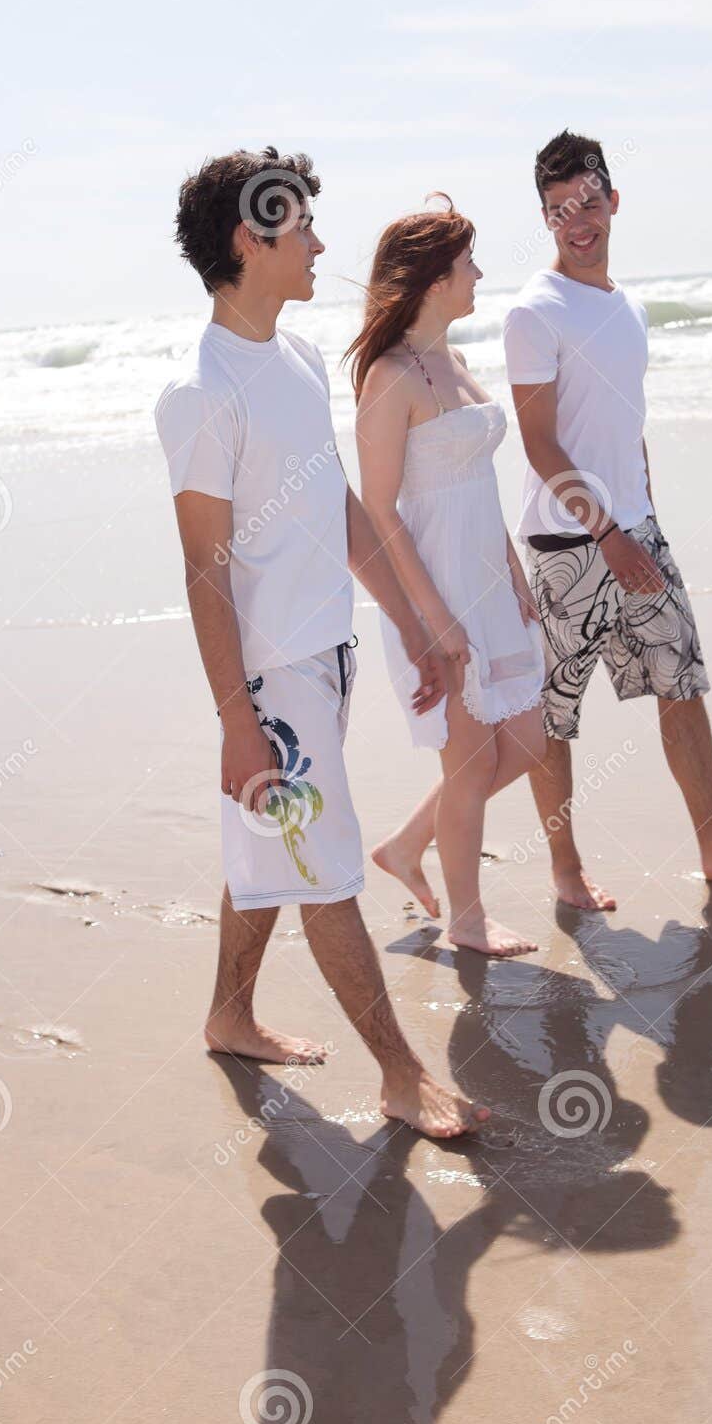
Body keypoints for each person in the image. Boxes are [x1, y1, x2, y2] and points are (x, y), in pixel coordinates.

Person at [154, 146, 489, 1137]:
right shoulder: (200, 389)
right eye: (298, 225)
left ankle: (228, 1012)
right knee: (325, 866)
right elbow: (204, 569)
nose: (319, 243)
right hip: (269, 682)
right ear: (247, 240)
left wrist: (407, 616)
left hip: (324, 656)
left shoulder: (293, 360)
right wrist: (237, 724)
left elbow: (338, 508)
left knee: (276, 850)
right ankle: (399, 1072)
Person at [504, 130, 712, 910]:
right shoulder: (534, 312)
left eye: (589, 201)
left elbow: (621, 419)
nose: (579, 220)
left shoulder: (626, 304)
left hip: (637, 530)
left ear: (612, 199)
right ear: (544, 218)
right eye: (559, 209)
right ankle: (565, 869)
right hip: (573, 541)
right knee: (557, 715)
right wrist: (606, 530)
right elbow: (540, 444)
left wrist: (642, 513)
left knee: (683, 684)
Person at [349, 199, 546, 957]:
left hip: (490, 585)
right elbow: (378, 508)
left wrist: (512, 570)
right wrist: (432, 617)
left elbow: (473, 486)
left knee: (524, 742)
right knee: (467, 763)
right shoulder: (390, 377)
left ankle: (404, 845)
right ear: (433, 278)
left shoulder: (456, 363)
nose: (479, 275)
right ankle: (465, 920)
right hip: (437, 592)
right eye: (467, 263)